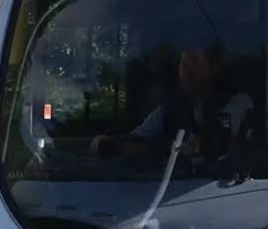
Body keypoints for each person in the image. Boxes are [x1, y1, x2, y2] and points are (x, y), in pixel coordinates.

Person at [90, 48, 254, 161]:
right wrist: (110, 141)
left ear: (213, 68)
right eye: (184, 64)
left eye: (194, 62)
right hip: (170, 183)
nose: (188, 70)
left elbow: (230, 141)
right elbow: (140, 135)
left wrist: (170, 150)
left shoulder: (238, 102)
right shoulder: (170, 107)